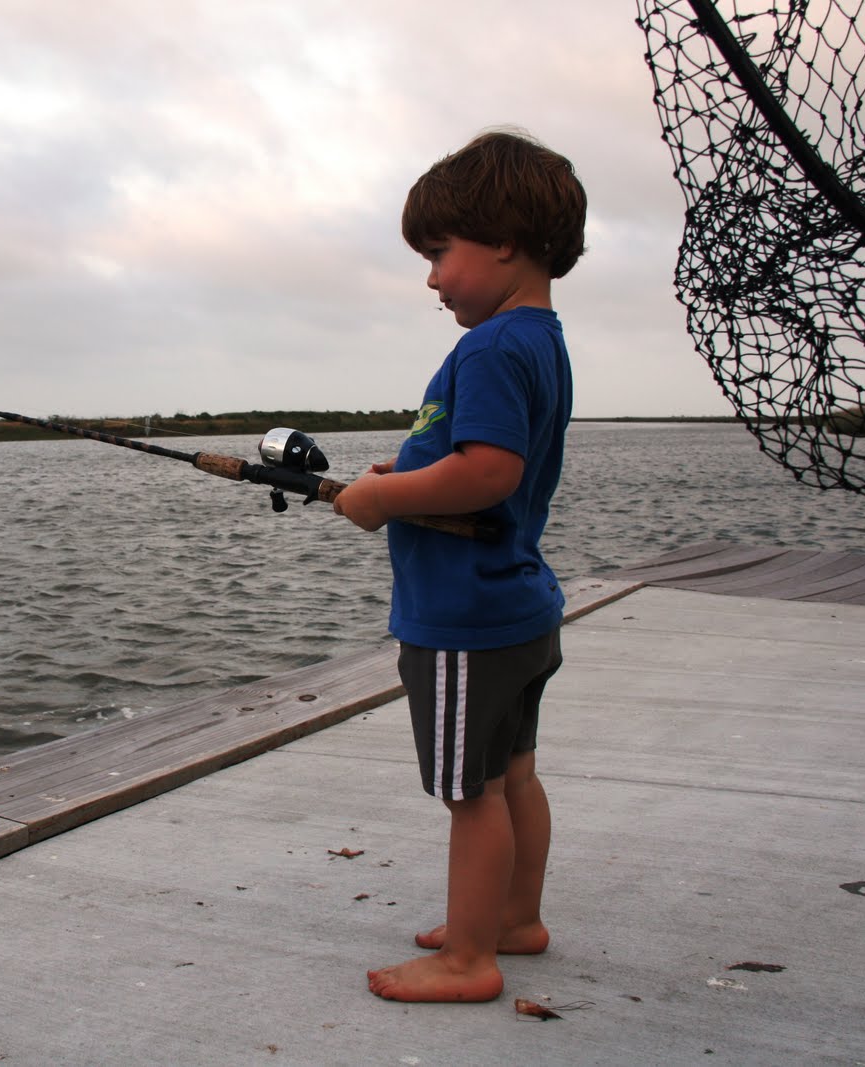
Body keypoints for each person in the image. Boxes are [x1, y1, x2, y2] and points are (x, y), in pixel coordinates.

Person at [332, 128, 586, 1003]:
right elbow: (484, 462)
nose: (432, 277)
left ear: (504, 240)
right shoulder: (539, 340)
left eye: (440, 252)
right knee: (514, 774)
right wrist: (409, 470)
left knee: (468, 793)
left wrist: (379, 499)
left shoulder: (487, 347)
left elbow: (487, 473)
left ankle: (468, 958)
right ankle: (514, 919)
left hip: (464, 620)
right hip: (520, 607)